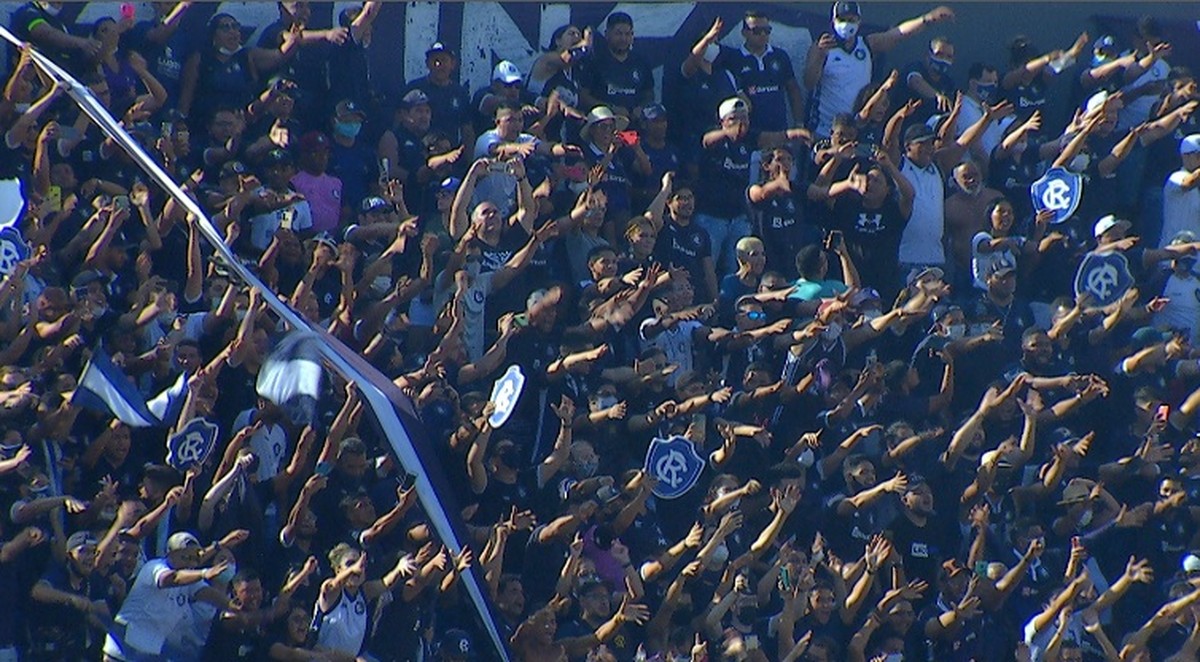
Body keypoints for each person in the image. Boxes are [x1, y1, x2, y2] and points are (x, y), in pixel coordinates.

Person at [805, 1, 956, 139]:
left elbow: (898, 34)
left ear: (859, 21)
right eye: (842, 19)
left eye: (851, 19)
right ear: (833, 21)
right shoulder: (821, 47)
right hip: (825, 129)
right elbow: (809, 82)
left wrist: (929, 18)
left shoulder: (867, 44)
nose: (847, 24)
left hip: (858, 127)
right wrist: (820, 56)